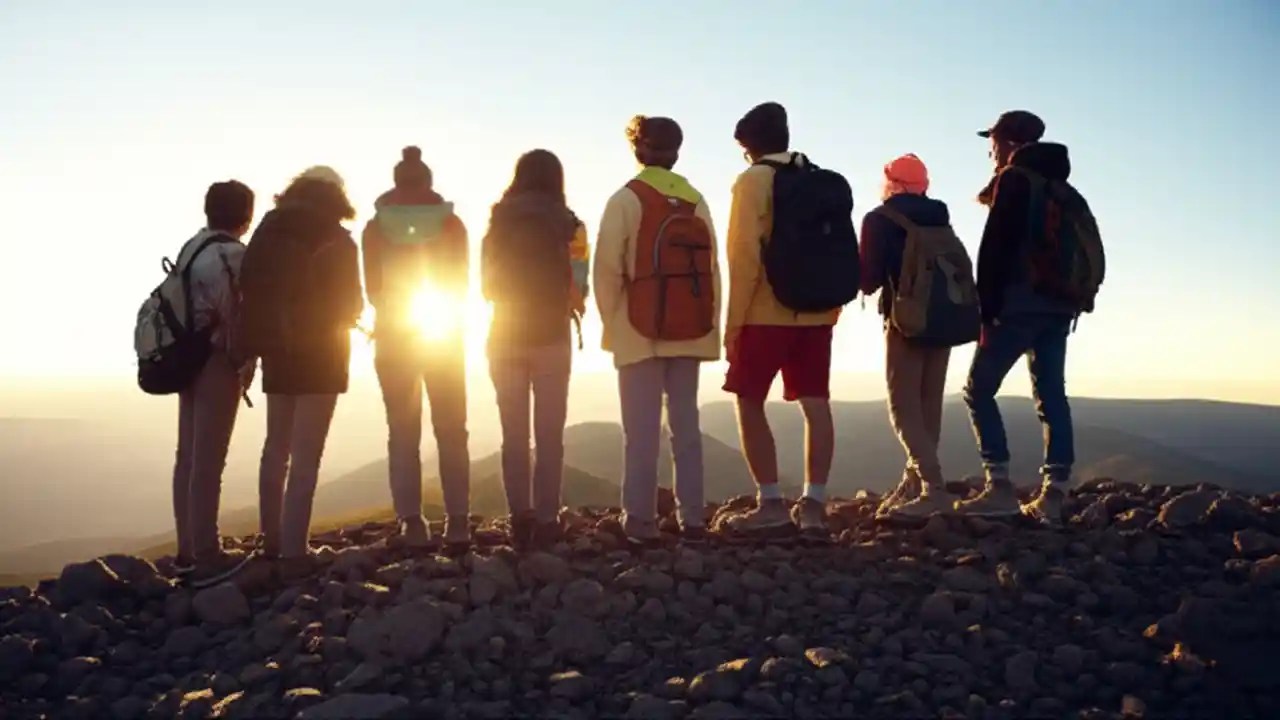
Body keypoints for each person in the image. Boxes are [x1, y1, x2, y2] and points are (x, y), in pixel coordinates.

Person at [958, 110, 1101, 524]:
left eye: (993, 142)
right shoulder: (1063, 188)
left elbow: (996, 250)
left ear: (1005, 141)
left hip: (1018, 305)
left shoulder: (1015, 180)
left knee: (978, 389)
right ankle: (1054, 494)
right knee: (1051, 395)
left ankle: (999, 486)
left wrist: (987, 310)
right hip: (1060, 307)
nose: (990, 151)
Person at [722, 101, 857, 539]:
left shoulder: (753, 180)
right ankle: (815, 505)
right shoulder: (816, 178)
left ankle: (771, 504)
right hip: (818, 313)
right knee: (816, 403)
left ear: (748, 147)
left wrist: (733, 323)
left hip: (765, 312)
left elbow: (744, 257)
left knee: (749, 400)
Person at [594, 115, 720, 546]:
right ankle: (694, 518)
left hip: (638, 327)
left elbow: (607, 271)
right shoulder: (696, 200)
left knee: (641, 430)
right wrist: (708, 323)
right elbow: (711, 271)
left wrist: (614, 324)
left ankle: (641, 522)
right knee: (686, 423)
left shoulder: (626, 199)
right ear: (678, 152)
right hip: (690, 326)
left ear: (638, 150)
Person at [239, 166, 363, 568]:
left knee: (276, 447)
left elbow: (250, 287)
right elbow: (352, 305)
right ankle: (295, 551)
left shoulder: (268, 232)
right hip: (323, 354)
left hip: (276, 348)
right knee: (307, 454)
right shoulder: (338, 239)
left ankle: (271, 540)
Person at [361, 147, 472, 551]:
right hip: (443, 335)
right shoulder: (452, 224)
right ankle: (458, 522)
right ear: (427, 181)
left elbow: (372, 290)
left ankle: (412, 522)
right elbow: (461, 284)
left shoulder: (375, 228)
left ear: (396, 182)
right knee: (452, 429)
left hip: (394, 336)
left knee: (402, 431)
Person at [859, 154, 979, 521]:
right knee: (929, 404)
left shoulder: (879, 219)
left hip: (906, 321)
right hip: (944, 318)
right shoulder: (939, 218)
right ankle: (915, 483)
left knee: (903, 407)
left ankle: (932, 488)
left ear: (890, 182)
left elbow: (868, 279)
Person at [481, 149, 588, 550]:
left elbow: (486, 287)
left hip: (504, 334)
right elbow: (579, 293)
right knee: (549, 435)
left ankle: (518, 519)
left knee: (513, 435)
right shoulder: (572, 226)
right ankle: (547, 519)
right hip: (552, 337)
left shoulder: (497, 223)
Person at [170, 180, 256, 586]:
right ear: (246, 215)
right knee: (209, 460)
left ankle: (187, 548)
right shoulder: (233, 255)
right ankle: (206, 554)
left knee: (187, 455)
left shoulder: (193, 248)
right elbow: (235, 318)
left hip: (186, 357)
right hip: (217, 362)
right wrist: (244, 363)